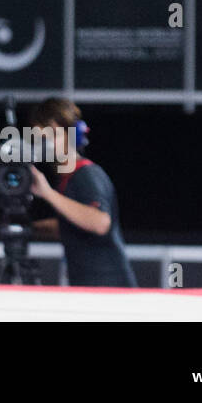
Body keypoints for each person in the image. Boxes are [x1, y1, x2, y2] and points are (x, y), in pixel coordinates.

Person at [28, 97, 137, 287]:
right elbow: (71, 225)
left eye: (54, 134)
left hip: (109, 289)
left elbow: (99, 222)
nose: (48, 144)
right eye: (42, 138)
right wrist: (29, 228)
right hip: (91, 287)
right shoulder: (67, 177)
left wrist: (47, 193)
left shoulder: (87, 174)